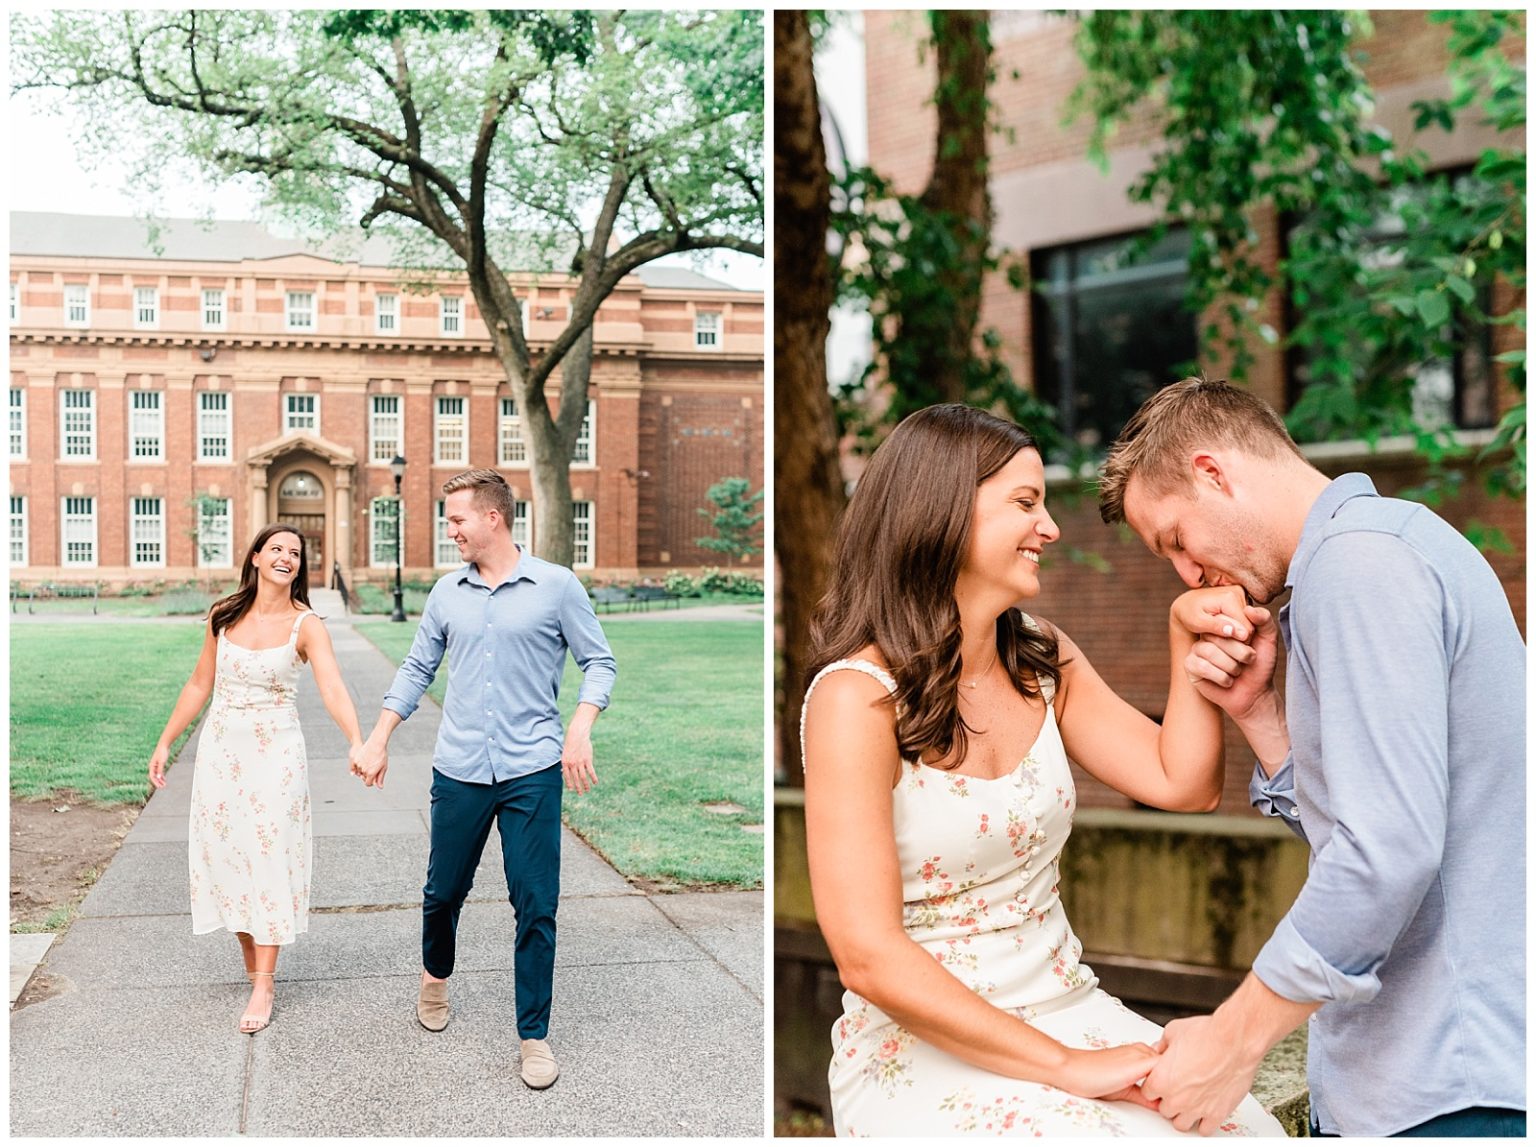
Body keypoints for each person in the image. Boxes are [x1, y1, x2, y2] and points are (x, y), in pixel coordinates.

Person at [801, 403, 1283, 1137]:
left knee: (1236, 1126)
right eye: (1025, 503)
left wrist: (1186, 644)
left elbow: (1182, 784)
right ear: (941, 516)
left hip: (1071, 1007)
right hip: (926, 1046)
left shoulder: (1040, 657)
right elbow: (867, 956)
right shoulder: (854, 700)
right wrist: (1062, 1065)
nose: (1051, 527)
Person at [1097, 376, 1526, 1137]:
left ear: (1212, 473)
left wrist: (1232, 1040)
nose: (1188, 575)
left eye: (1174, 540)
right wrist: (1262, 713)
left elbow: (1384, 854)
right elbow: (1366, 829)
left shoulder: (1357, 565)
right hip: (1428, 1076)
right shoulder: (1380, 550)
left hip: (1448, 1086)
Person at [350, 468, 616, 1090]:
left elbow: (598, 661)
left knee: (536, 903)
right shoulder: (448, 593)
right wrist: (380, 737)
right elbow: (417, 667)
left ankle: (533, 1036)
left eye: (457, 520)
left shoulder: (556, 587)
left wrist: (580, 726)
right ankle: (435, 975)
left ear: (492, 517)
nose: (452, 532)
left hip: (532, 768)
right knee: (444, 892)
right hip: (462, 768)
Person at [149, 523, 365, 1034]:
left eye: (295, 552)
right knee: (228, 860)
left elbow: (332, 686)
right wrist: (165, 741)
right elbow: (201, 681)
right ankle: (255, 969)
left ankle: (264, 985)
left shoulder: (306, 624)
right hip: (222, 755)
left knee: (267, 859)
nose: (286, 557)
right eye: (277, 549)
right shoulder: (223, 615)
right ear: (255, 557)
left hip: (277, 758)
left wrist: (357, 739)